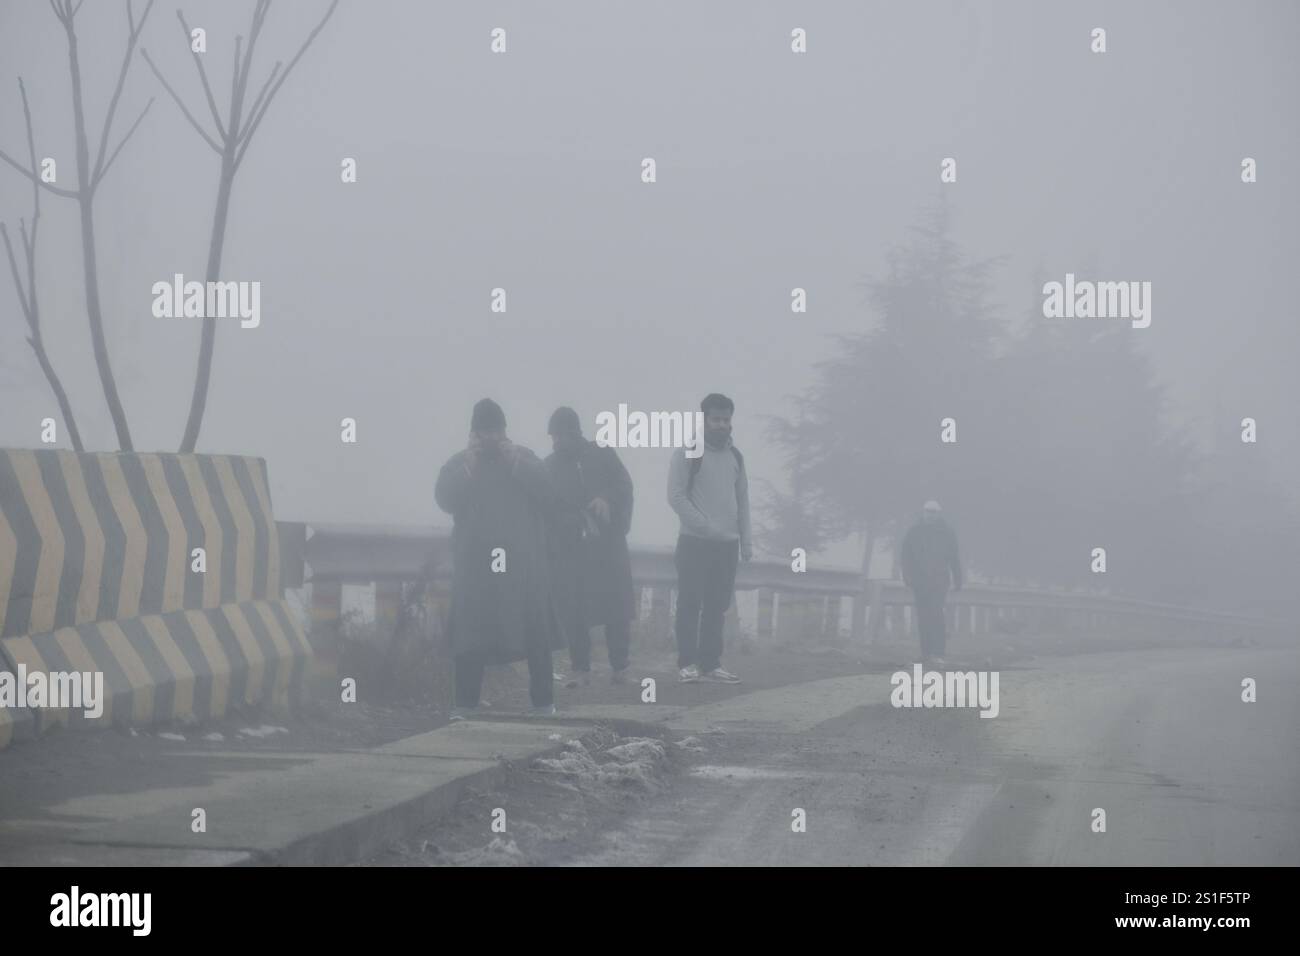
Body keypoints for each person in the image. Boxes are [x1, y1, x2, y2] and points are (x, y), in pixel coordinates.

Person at [435, 398, 563, 718]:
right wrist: (469, 467)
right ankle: (464, 706)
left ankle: (543, 703)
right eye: (483, 431)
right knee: (471, 633)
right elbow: (444, 498)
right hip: (476, 567)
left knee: (535, 631)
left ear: (505, 431)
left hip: (523, 566)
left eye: (495, 430)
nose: (490, 438)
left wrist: (515, 463)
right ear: (473, 434)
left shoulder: (525, 459)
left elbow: (549, 493)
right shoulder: (460, 463)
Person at [544, 407, 636, 685]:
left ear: (576, 432)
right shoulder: (549, 466)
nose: (557, 442)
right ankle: (580, 669)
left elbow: (625, 485)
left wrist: (606, 498)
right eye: (554, 436)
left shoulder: (603, 453)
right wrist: (572, 521)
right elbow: (547, 506)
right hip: (573, 547)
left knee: (616, 605)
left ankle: (620, 668)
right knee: (576, 608)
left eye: (562, 435)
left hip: (608, 543)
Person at [667, 393, 751, 683]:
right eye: (716, 419)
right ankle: (687, 663)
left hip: (727, 545)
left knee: (718, 606)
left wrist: (747, 541)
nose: (721, 425)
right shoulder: (689, 451)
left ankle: (711, 663)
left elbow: (742, 500)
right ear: (704, 420)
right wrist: (704, 526)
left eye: (726, 419)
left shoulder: (736, 457)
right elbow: (675, 496)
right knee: (690, 602)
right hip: (694, 542)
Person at [899, 500, 963, 667]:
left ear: (938, 514)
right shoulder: (914, 532)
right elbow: (906, 556)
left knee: (936, 614)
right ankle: (926, 653)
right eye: (928, 511)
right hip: (920, 581)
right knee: (923, 616)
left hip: (939, 581)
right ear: (923, 512)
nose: (930, 515)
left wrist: (958, 579)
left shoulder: (947, 533)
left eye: (933, 512)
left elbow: (954, 558)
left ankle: (938, 653)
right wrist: (907, 576)